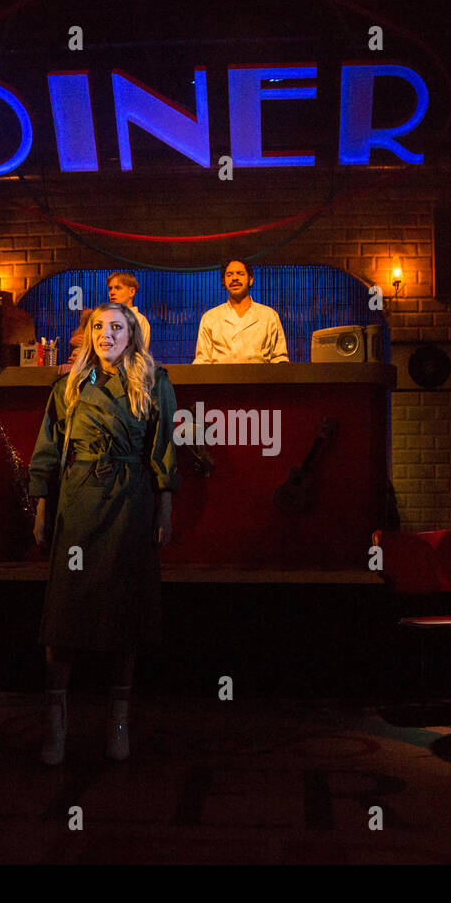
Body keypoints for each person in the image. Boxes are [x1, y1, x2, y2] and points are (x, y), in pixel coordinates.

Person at [29, 301, 179, 764]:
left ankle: (119, 723)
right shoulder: (69, 385)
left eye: (117, 327)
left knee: (124, 611)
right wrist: (41, 507)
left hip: (130, 500)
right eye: (98, 326)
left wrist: (164, 507)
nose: (106, 334)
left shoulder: (155, 382)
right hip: (78, 499)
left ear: (132, 334)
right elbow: (48, 448)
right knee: (65, 610)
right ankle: (56, 723)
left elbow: (164, 448)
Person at [192, 259, 288, 364]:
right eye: (229, 275)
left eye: (240, 273)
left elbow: (279, 359)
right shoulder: (210, 318)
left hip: (260, 379)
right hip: (220, 379)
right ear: (223, 281)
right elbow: (202, 361)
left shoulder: (269, 316)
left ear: (250, 279)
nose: (234, 278)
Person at [106, 271, 151, 351]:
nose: (112, 292)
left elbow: (139, 354)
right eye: (110, 288)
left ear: (132, 292)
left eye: (118, 288)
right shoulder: (106, 318)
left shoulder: (139, 320)